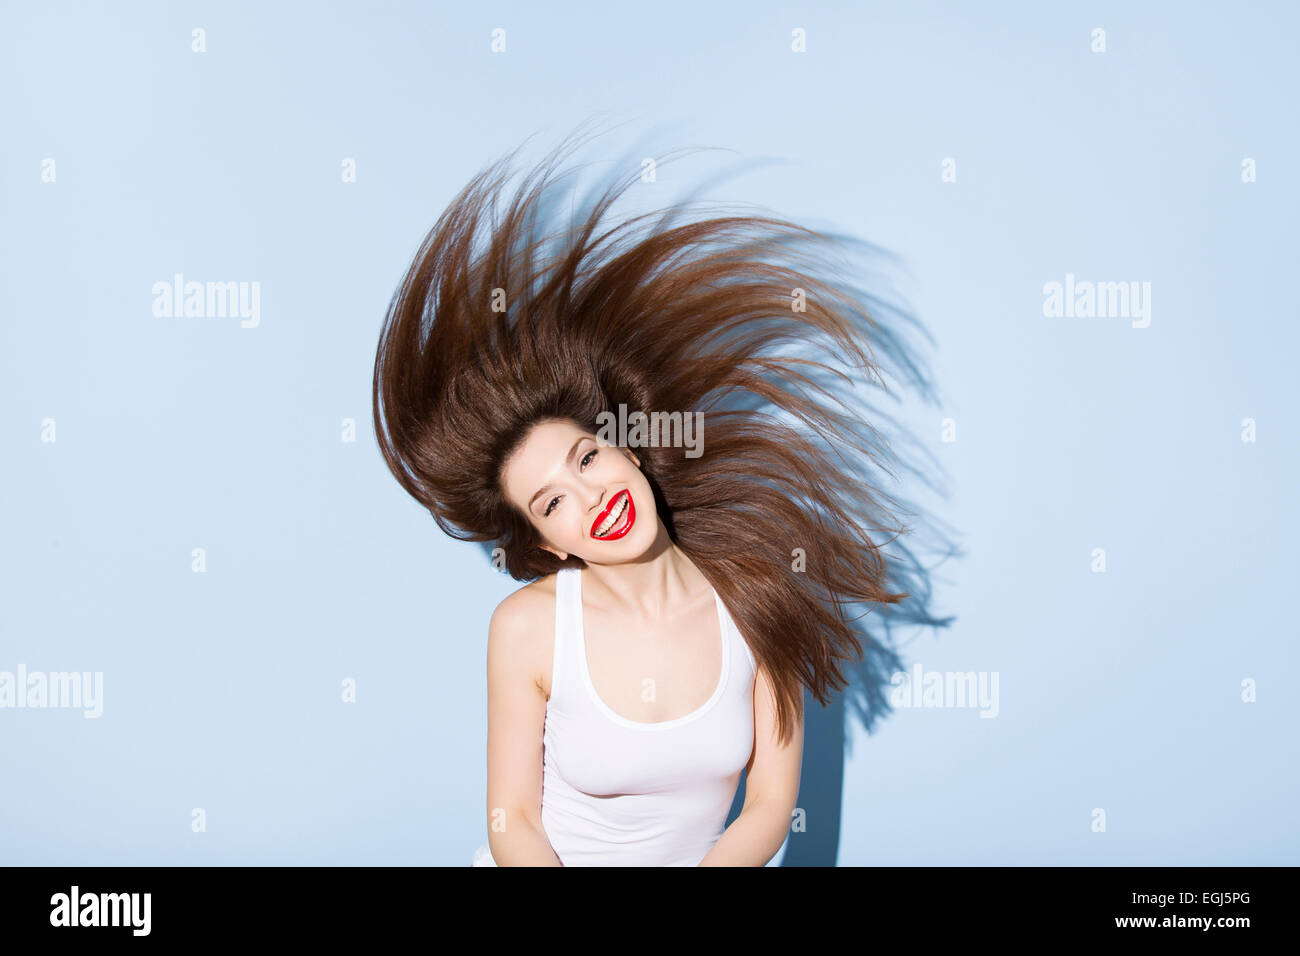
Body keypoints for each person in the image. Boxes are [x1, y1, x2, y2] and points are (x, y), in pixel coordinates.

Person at [372, 125, 947, 866]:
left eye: (587, 456)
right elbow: (510, 817)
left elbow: (770, 806)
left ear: (627, 445)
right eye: (551, 503)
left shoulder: (759, 593)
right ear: (548, 544)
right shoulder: (527, 629)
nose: (589, 495)